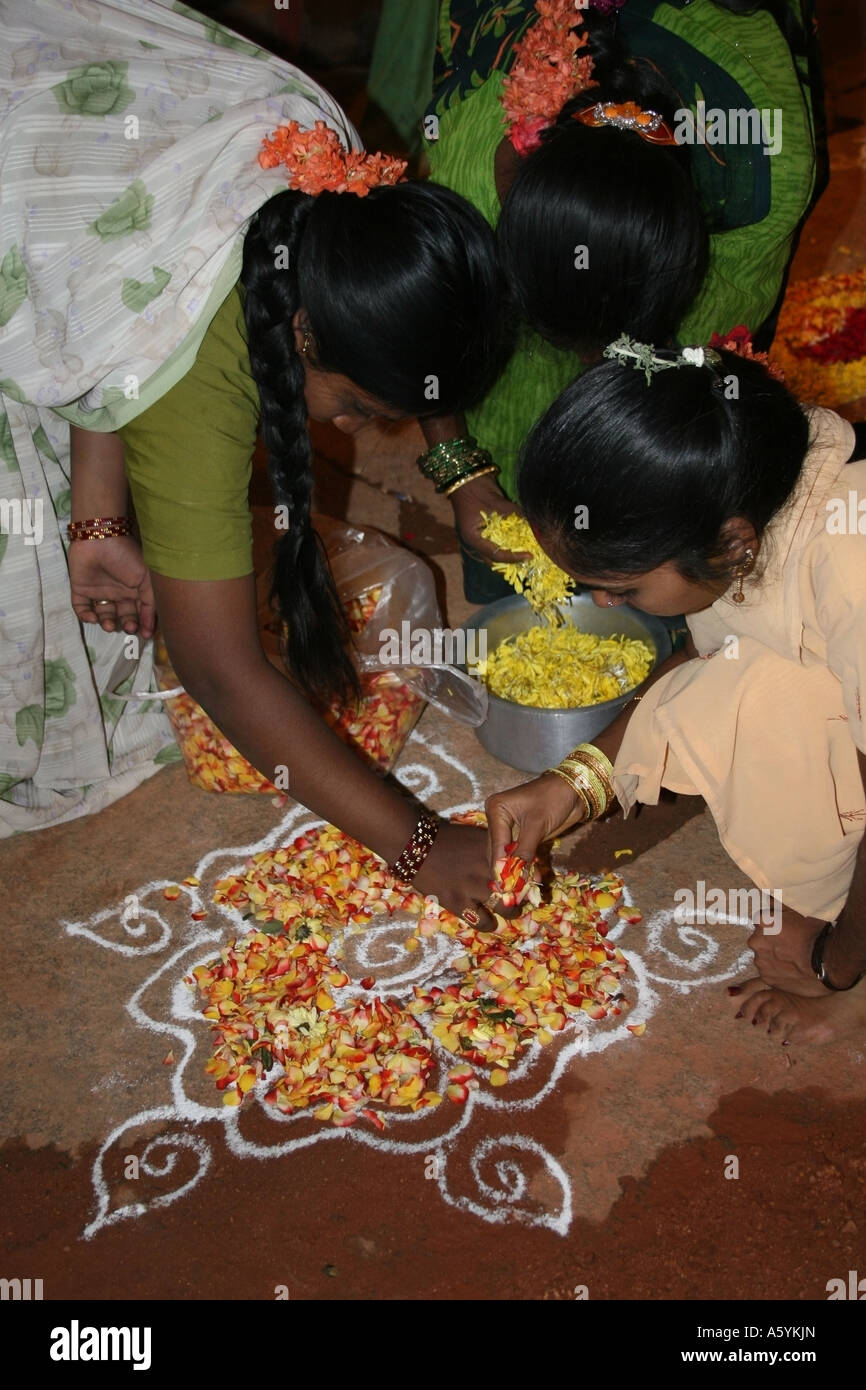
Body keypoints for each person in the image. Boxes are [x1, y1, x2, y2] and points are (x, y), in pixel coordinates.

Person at [0, 0, 513, 921]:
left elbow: (113, 271)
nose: (351, 434)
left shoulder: (333, 185)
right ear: (306, 330)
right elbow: (223, 671)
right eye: (356, 405)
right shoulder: (200, 377)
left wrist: (101, 515)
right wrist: (421, 846)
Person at [485, 337, 866, 1044]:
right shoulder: (744, 472)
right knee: (736, 673)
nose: (605, 600)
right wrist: (568, 786)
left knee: (768, 697)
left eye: (622, 587)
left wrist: (837, 958)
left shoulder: (852, 566)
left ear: (734, 545)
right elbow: (711, 646)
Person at [416, 0, 821, 600]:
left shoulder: (759, 181)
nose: (583, 373)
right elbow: (432, 319)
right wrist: (461, 473)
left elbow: (701, 394)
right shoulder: (468, 172)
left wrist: (658, 523)